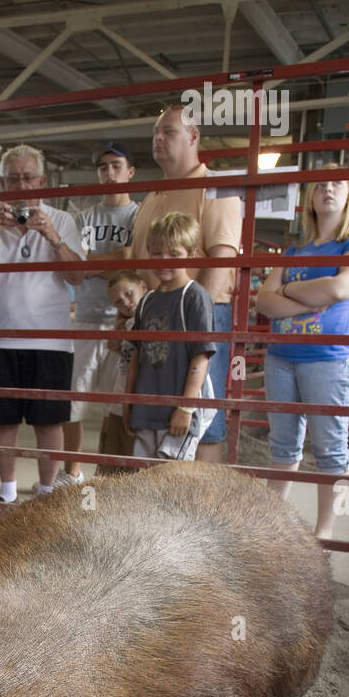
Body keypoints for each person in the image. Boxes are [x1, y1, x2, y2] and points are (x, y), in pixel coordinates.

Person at [0, 144, 84, 505]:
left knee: (49, 423)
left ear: (42, 181)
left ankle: (46, 496)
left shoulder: (61, 220)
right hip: (1, 339)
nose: (21, 184)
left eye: (28, 177)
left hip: (51, 341)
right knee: (4, 422)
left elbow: (78, 276)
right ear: (2, 182)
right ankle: (8, 495)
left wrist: (53, 237)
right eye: (14, 178)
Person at [256, 170, 349, 539]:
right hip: (281, 357)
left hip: (329, 357)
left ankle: (323, 532)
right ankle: (273, 524)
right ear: (309, 196)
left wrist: (288, 289)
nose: (328, 189)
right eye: (321, 183)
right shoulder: (293, 250)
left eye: (337, 183)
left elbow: (341, 288)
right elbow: (263, 301)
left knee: (331, 449)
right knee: (283, 444)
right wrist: (308, 295)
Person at [130, 105, 242, 464]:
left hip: (198, 315)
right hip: (156, 316)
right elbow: (137, 264)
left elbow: (221, 262)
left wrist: (197, 319)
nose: (158, 139)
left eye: (169, 132)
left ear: (194, 137)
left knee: (201, 415)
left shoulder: (216, 190)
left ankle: (205, 511)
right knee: (158, 415)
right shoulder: (151, 198)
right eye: (155, 133)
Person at [62, 141, 138, 478]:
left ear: (130, 172)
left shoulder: (139, 214)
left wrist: (92, 262)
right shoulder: (82, 218)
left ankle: (111, 471)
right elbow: (73, 268)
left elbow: (131, 261)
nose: (109, 172)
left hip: (124, 321)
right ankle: (72, 471)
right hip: (85, 319)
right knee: (72, 402)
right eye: (103, 167)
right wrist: (111, 262)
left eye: (116, 166)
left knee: (119, 403)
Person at [123, 213, 216, 461]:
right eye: (156, 253)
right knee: (145, 483)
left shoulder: (194, 297)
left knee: (173, 484)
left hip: (178, 410)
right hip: (146, 408)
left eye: (174, 254)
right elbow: (135, 356)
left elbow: (201, 357)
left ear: (190, 253)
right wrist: (128, 401)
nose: (164, 261)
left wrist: (186, 408)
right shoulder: (147, 302)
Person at [92, 270, 148, 469]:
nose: (125, 303)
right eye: (117, 302)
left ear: (143, 286)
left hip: (135, 397)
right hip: (118, 397)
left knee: (131, 453)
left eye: (128, 294)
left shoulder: (147, 321)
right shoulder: (125, 326)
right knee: (114, 451)